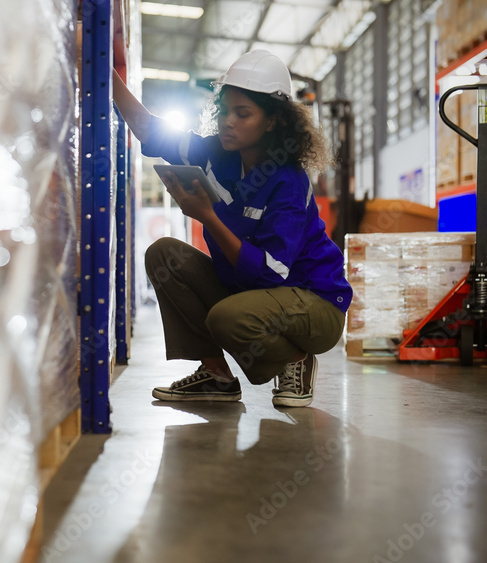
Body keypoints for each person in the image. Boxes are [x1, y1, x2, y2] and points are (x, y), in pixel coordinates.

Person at [112, 49, 352, 408]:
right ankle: (217, 376)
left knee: (228, 317)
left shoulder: (288, 181)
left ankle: (296, 360)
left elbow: (273, 272)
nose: (228, 122)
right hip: (252, 292)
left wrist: (207, 215)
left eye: (243, 114)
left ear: (272, 121)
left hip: (314, 305)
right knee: (165, 255)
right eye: (224, 111)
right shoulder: (214, 155)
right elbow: (148, 128)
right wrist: (101, 68)